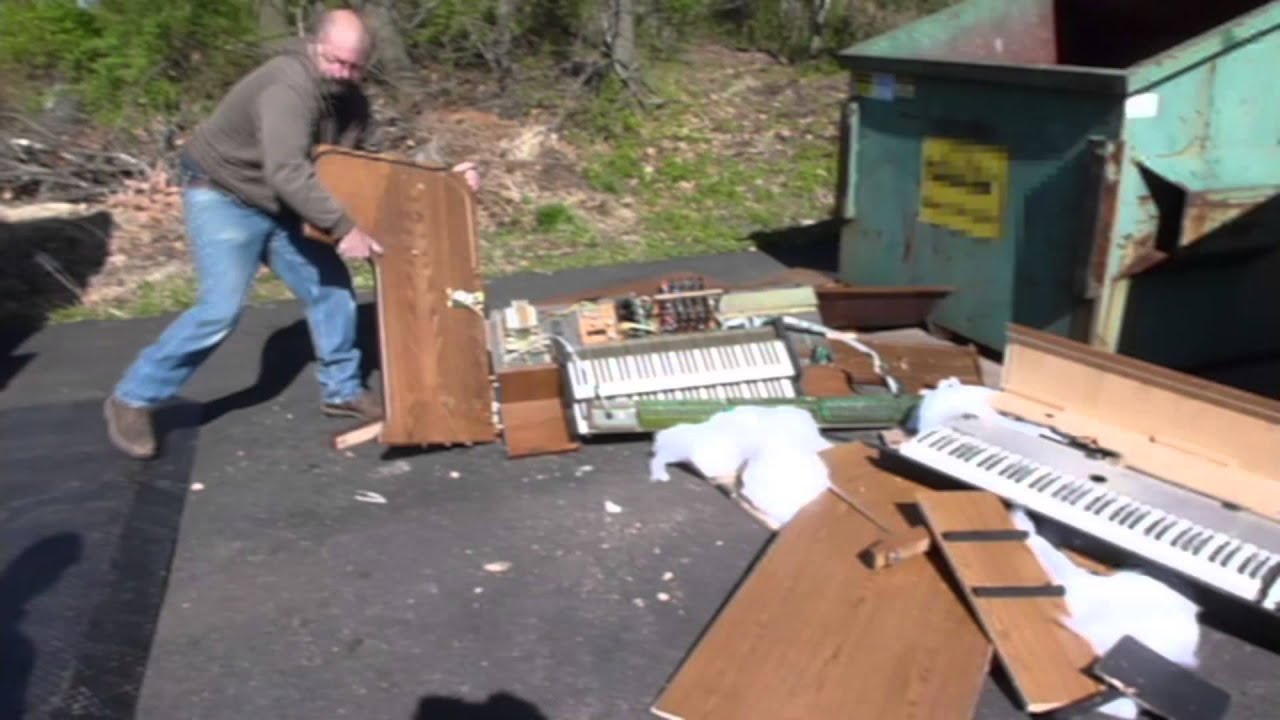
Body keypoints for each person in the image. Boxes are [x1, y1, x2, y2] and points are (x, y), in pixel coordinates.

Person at [103, 9, 479, 459]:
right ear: (314, 45)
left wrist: (445, 181)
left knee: (332, 288)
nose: (344, 73)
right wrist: (344, 227)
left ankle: (342, 390)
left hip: (284, 203)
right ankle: (133, 397)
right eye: (336, 61)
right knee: (219, 310)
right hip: (226, 194)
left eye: (355, 66)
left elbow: (368, 170)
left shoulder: (352, 100)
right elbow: (286, 170)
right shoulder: (288, 86)